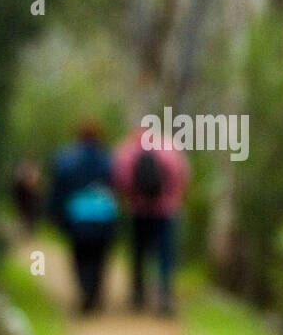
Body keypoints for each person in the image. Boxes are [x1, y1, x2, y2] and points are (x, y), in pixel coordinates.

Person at [113, 125, 189, 315]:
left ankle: (138, 294)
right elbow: (183, 175)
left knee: (139, 253)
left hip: (139, 210)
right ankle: (164, 294)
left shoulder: (129, 150)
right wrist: (174, 197)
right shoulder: (169, 148)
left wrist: (131, 198)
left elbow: (120, 179)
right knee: (165, 254)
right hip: (167, 211)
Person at [47, 122, 119, 314]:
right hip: (104, 215)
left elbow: (58, 189)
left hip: (77, 214)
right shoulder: (106, 158)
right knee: (100, 257)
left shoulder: (66, 159)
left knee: (80, 255)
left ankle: (86, 290)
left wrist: (54, 214)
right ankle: (95, 293)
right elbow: (117, 185)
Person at [10, 159, 42, 234]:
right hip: (23, 195)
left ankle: (28, 229)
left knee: (29, 211)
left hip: (30, 195)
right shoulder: (23, 170)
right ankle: (23, 227)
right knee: (23, 211)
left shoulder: (33, 171)